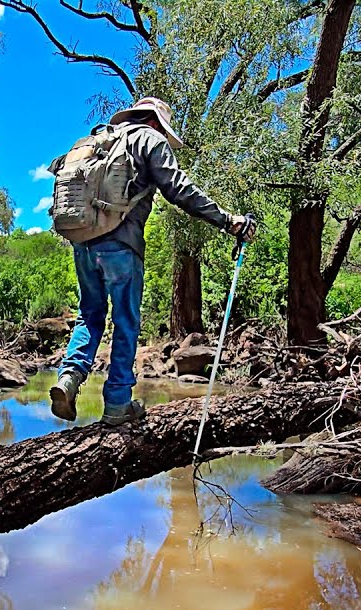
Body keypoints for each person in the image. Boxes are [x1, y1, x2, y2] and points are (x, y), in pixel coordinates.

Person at [48, 97, 255, 425]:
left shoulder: (98, 141)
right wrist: (226, 220)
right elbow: (179, 190)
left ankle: (68, 378)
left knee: (89, 316)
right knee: (126, 323)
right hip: (121, 246)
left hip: (83, 244)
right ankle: (117, 405)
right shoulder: (149, 138)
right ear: (156, 122)